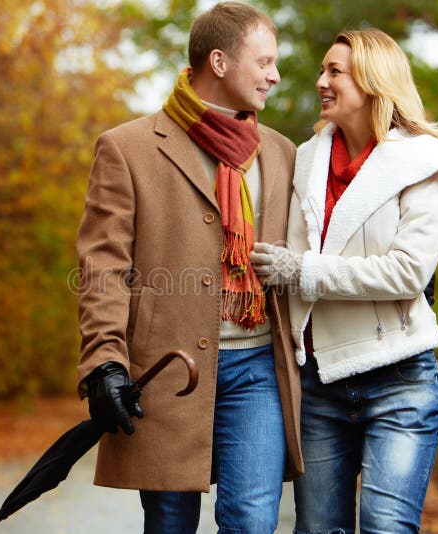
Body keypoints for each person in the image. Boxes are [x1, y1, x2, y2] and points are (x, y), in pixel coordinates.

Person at [74, 3, 304, 532]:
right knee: (170, 524)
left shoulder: (282, 152)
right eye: (263, 62)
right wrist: (105, 362)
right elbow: (103, 268)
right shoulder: (127, 149)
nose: (274, 75)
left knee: (250, 522)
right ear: (219, 62)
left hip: (258, 372)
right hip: (168, 372)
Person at [251, 28, 438, 533]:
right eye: (323, 70)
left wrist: (305, 271)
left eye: (334, 71)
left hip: (399, 379)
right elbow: (286, 251)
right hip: (319, 382)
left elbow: (409, 271)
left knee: (386, 527)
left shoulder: (422, 161)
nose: (321, 80)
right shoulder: (306, 158)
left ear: (371, 80)